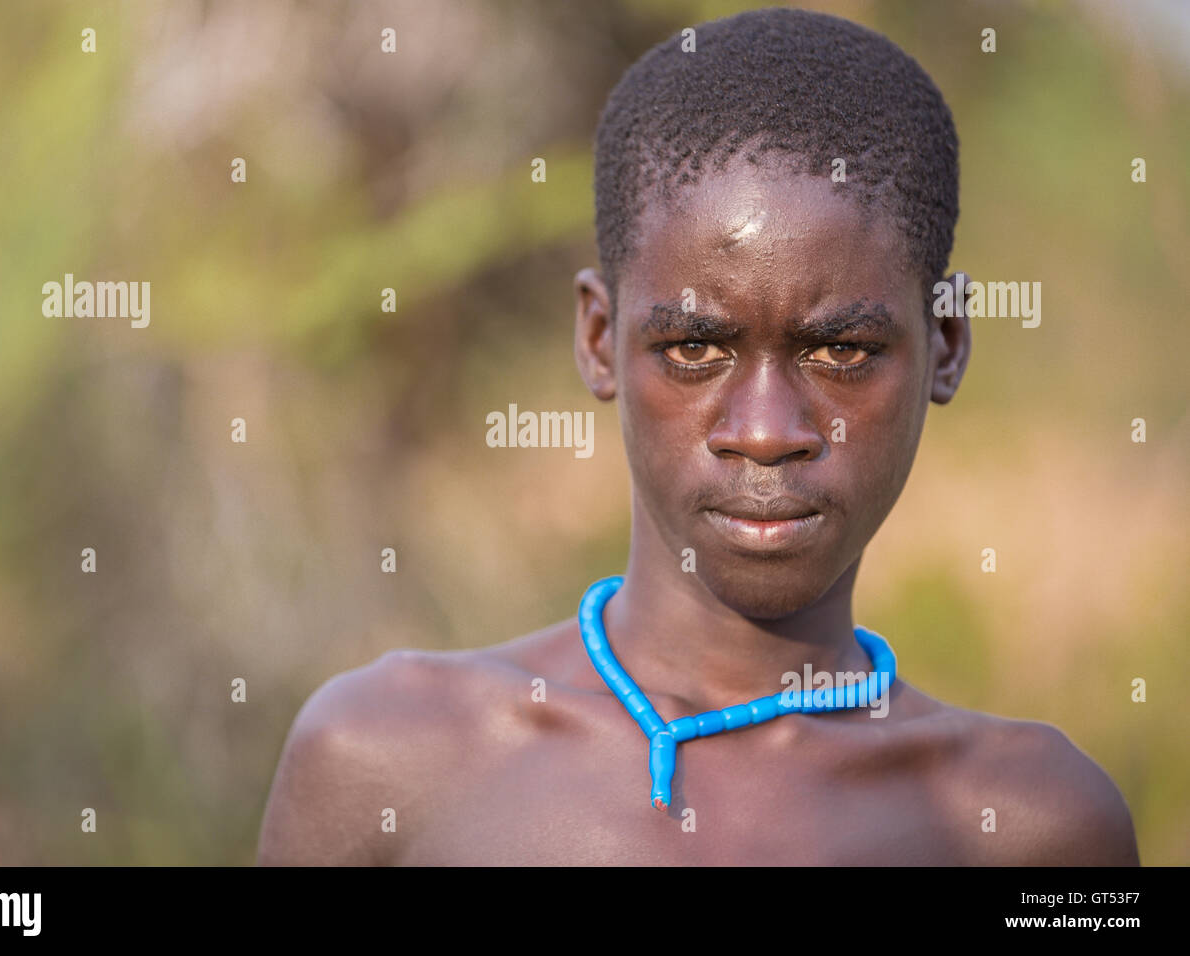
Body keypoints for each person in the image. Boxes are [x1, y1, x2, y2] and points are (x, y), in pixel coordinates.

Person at [258, 7, 1139, 865]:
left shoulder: (1029, 825)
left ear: (944, 344)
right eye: (693, 348)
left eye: (842, 350)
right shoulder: (387, 759)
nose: (765, 433)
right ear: (599, 338)